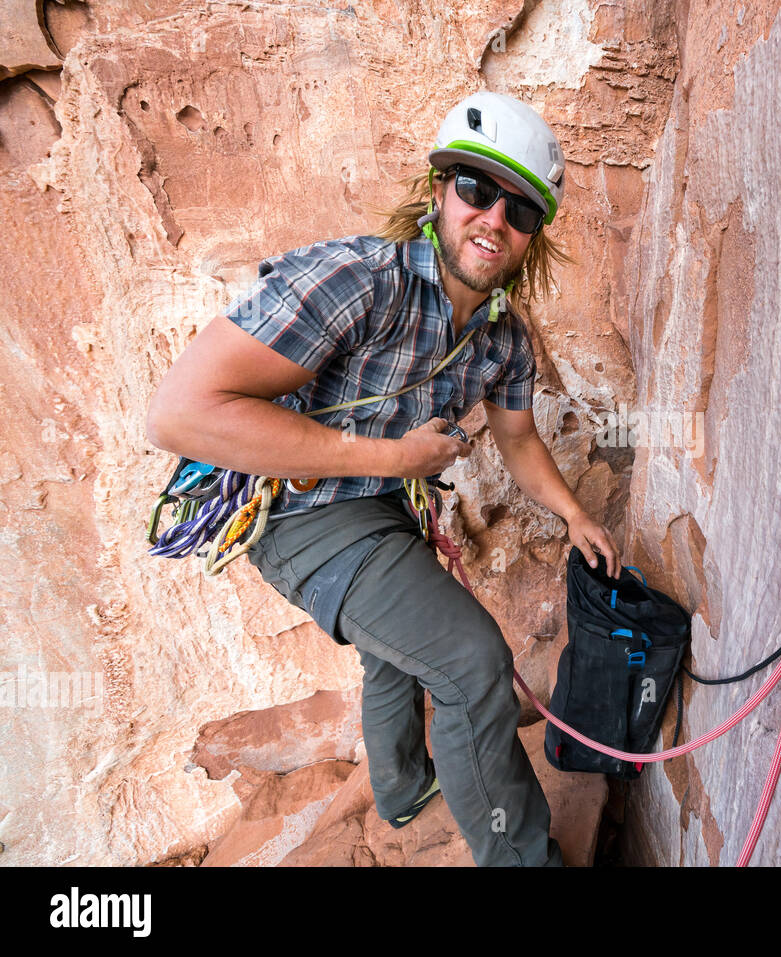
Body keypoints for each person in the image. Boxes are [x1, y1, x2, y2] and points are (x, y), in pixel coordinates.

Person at [146, 90, 622, 866]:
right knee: (473, 665)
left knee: (398, 644)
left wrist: (573, 513)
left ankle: (402, 787)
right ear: (437, 191)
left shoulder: (500, 338)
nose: (494, 218)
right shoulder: (359, 280)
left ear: (534, 236)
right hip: (302, 517)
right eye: (475, 187)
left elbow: (519, 439)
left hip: (373, 509)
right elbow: (180, 411)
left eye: (522, 210)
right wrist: (390, 459)